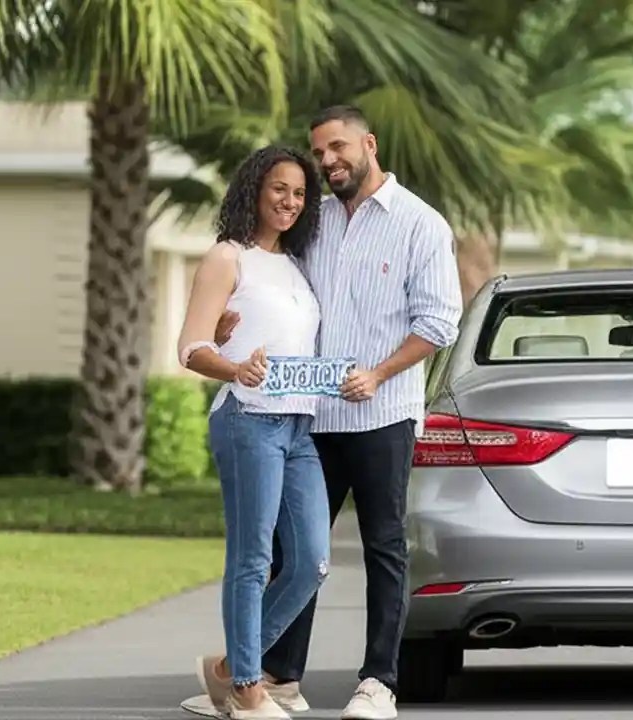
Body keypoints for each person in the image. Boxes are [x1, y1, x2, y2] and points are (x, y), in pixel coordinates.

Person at [181, 105, 463, 720]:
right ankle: (274, 677)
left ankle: (377, 682)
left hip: (381, 409)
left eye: (337, 148)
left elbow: (439, 322)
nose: (328, 161)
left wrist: (380, 373)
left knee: (384, 546)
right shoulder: (314, 223)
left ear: (369, 142)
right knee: (293, 554)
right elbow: (268, 304)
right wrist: (224, 331)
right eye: (319, 153)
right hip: (306, 415)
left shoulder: (420, 223)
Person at [176, 144, 332, 720]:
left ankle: (225, 669)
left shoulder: (295, 264)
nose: (290, 201)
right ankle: (245, 688)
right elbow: (191, 348)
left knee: (313, 560)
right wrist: (235, 365)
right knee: (251, 558)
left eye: (299, 193)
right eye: (279, 190)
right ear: (254, 191)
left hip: (299, 424)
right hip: (247, 418)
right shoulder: (227, 257)